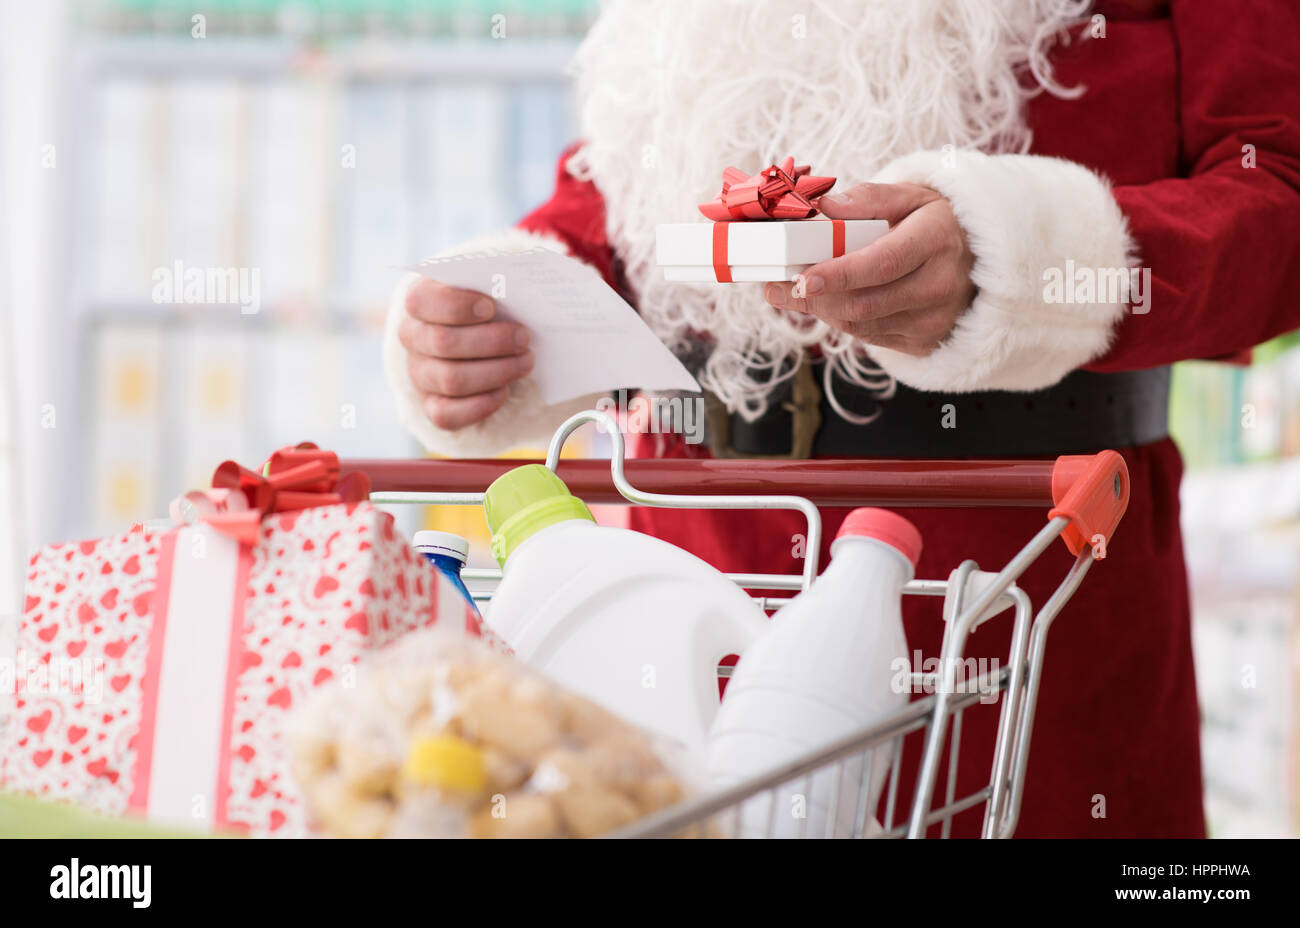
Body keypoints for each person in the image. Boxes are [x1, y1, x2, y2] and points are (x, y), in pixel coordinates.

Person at [383, 0, 1300, 837]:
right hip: (687, 573)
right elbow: (623, 181)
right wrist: (492, 326)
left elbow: (1280, 190)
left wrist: (1014, 260)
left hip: (1025, 594)